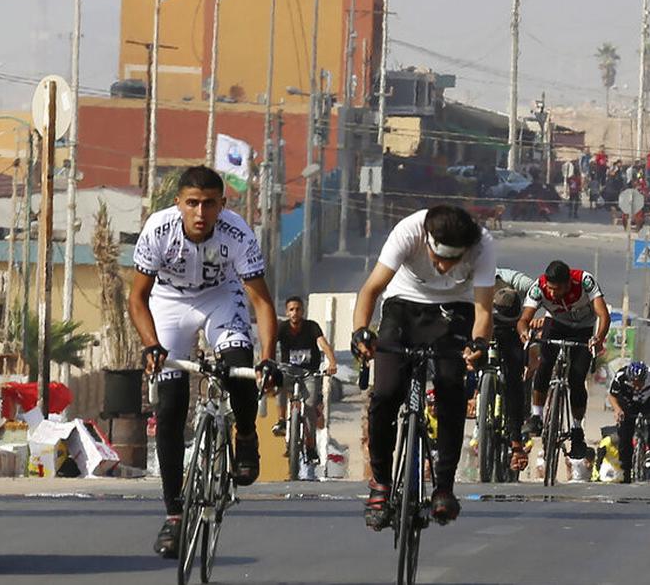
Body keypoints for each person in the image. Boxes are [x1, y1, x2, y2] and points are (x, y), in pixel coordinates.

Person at [131, 166, 278, 558]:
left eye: (209, 204)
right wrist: (151, 345)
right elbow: (137, 298)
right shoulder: (158, 230)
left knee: (238, 366)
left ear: (222, 205)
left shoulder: (238, 233)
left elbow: (262, 301)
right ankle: (174, 515)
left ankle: (245, 435)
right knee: (171, 405)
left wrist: (267, 359)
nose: (200, 212)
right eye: (192, 203)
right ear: (178, 203)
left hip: (220, 297)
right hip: (169, 304)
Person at [352, 205, 495, 529]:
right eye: (438, 258)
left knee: (450, 389)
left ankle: (444, 487)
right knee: (386, 394)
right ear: (427, 241)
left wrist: (478, 344)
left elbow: (483, 310)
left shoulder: (483, 245)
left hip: (454, 310)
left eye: (453, 260)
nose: (444, 268)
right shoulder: (408, 231)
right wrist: (361, 332)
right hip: (403, 305)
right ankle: (381, 483)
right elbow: (371, 290)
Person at [520, 261, 612, 459]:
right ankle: (537, 415)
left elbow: (603, 315)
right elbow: (524, 319)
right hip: (556, 324)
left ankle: (577, 430)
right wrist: (525, 332)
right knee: (544, 364)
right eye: (550, 289)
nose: (553, 294)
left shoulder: (585, 281)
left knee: (577, 379)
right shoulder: (539, 288)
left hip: (584, 330)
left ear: (569, 282)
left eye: (558, 289)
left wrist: (598, 338)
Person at [273, 296, 338, 466]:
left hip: (309, 373)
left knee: (309, 407)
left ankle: (310, 447)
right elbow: (272, 343)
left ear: (303, 311)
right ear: (287, 312)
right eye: (291, 309)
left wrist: (332, 362)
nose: (295, 313)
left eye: (298, 309)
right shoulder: (283, 327)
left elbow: (323, 344)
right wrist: (268, 362)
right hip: (289, 370)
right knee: (279, 381)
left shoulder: (312, 327)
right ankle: (281, 421)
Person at [492, 267, 539, 470]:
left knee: (514, 381)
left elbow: (540, 296)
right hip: (485, 322)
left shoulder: (520, 282)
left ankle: (516, 442)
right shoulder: (467, 282)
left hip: (515, 328)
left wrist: (534, 320)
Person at [607, 361, 650, 483]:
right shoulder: (621, 376)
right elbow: (612, 395)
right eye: (634, 382)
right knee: (624, 433)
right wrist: (618, 410)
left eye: (640, 382)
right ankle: (626, 467)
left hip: (647, 401)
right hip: (628, 400)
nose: (637, 385)